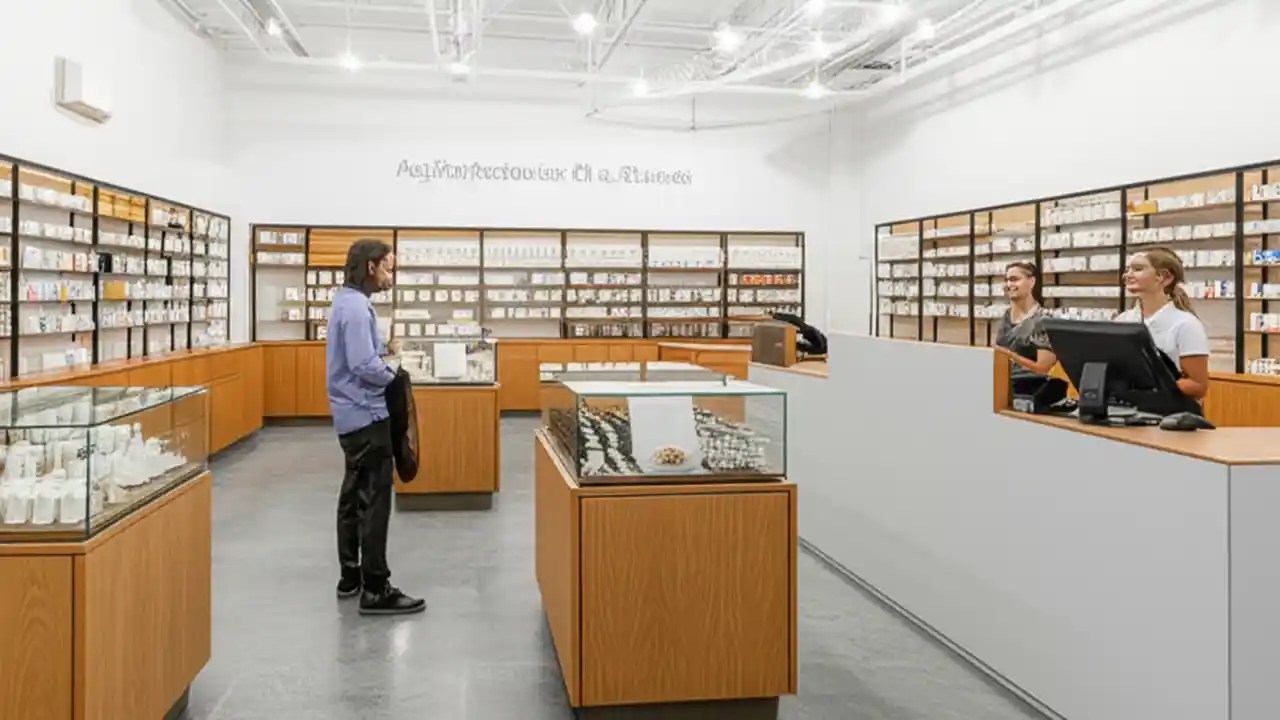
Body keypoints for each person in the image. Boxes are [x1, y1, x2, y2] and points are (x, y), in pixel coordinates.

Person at [327, 238, 425, 616]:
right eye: (387, 268)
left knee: (354, 495)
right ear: (370, 267)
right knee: (375, 501)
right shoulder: (356, 308)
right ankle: (376, 587)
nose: (390, 276)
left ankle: (350, 576)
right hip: (366, 415)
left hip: (350, 416)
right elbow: (363, 365)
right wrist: (393, 374)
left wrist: (383, 352)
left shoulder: (346, 302)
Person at [1115, 247, 1210, 400]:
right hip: (1127, 408)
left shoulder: (1186, 325)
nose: (1127, 275)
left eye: (1138, 269)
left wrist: (1147, 389)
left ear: (1164, 277)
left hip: (1170, 411)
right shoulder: (1123, 320)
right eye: (1127, 270)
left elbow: (1197, 385)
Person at [992, 261, 1058, 375]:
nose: (1009, 284)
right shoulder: (1005, 317)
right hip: (1000, 382)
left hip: (1028, 385)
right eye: (1006, 280)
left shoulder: (1043, 321)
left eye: (1014, 279)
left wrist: (1008, 356)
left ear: (1032, 282)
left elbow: (1043, 369)